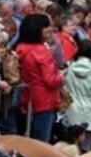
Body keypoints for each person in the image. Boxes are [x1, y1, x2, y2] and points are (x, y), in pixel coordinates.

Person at [16, 15, 64, 143]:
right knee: (42, 141)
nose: (50, 29)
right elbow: (50, 80)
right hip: (44, 99)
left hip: (28, 97)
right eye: (46, 26)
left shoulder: (21, 49)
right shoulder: (41, 51)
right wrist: (62, 77)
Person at [63, 40, 91, 153]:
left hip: (72, 110)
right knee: (88, 143)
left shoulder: (70, 68)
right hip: (90, 110)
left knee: (73, 145)